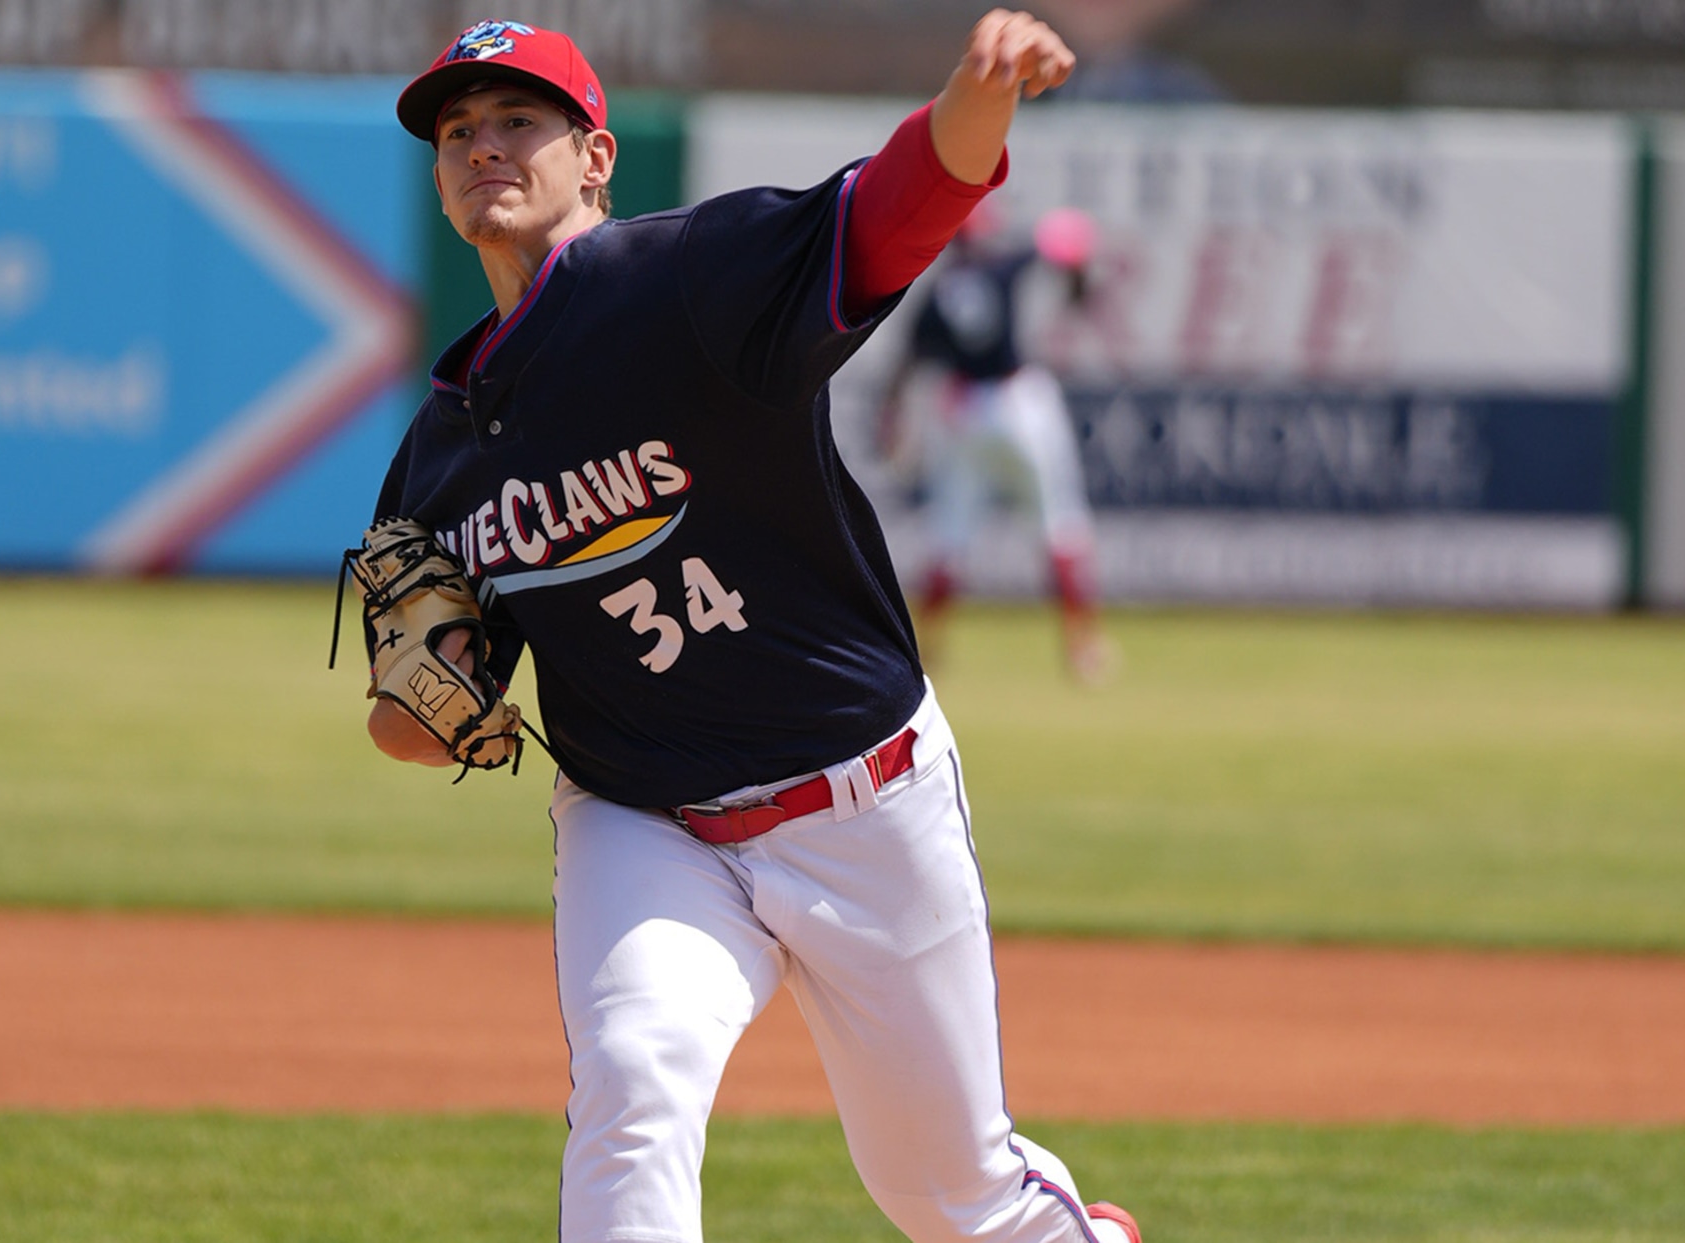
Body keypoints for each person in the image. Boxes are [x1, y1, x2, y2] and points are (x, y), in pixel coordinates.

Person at [362, 13, 1141, 1243]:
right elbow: (417, 715)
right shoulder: (444, 450)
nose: (483, 147)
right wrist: (431, 716)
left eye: (518, 120)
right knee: (634, 1087)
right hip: (644, 819)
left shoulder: (685, 280)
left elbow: (888, 215)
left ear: (597, 157)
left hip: (863, 801)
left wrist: (982, 94)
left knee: (950, 1197)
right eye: (458, 131)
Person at [874, 206, 1117, 684]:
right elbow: (1069, 247)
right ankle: (1084, 649)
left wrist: (891, 420)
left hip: (963, 412)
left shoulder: (936, 295)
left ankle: (923, 655)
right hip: (1017, 403)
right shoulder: (1003, 266)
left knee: (948, 538)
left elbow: (906, 367)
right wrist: (1078, 287)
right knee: (1060, 525)